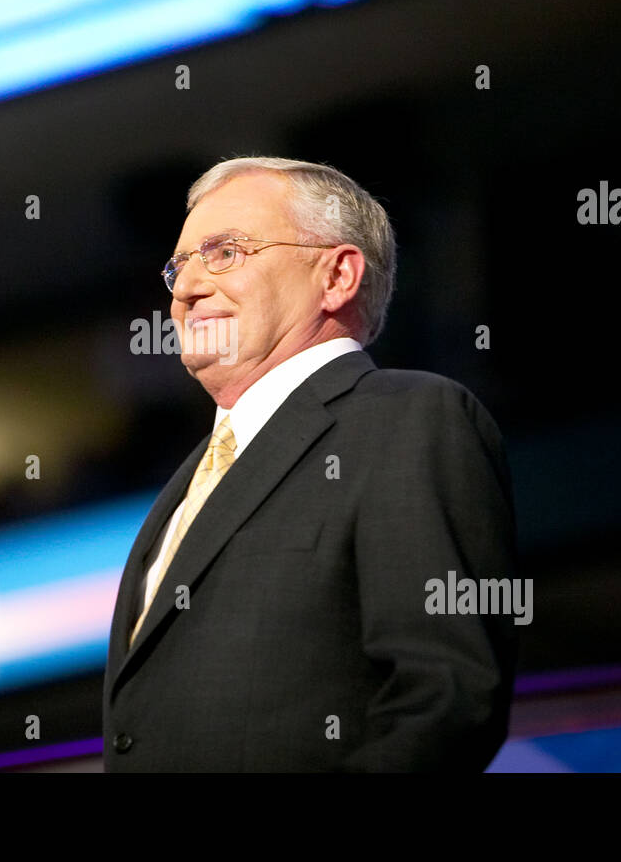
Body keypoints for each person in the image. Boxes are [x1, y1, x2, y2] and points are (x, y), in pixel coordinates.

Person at [103, 157, 519, 771]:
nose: (186, 288)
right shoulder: (185, 485)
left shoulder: (409, 419)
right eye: (179, 265)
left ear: (337, 276)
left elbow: (446, 700)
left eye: (224, 253)